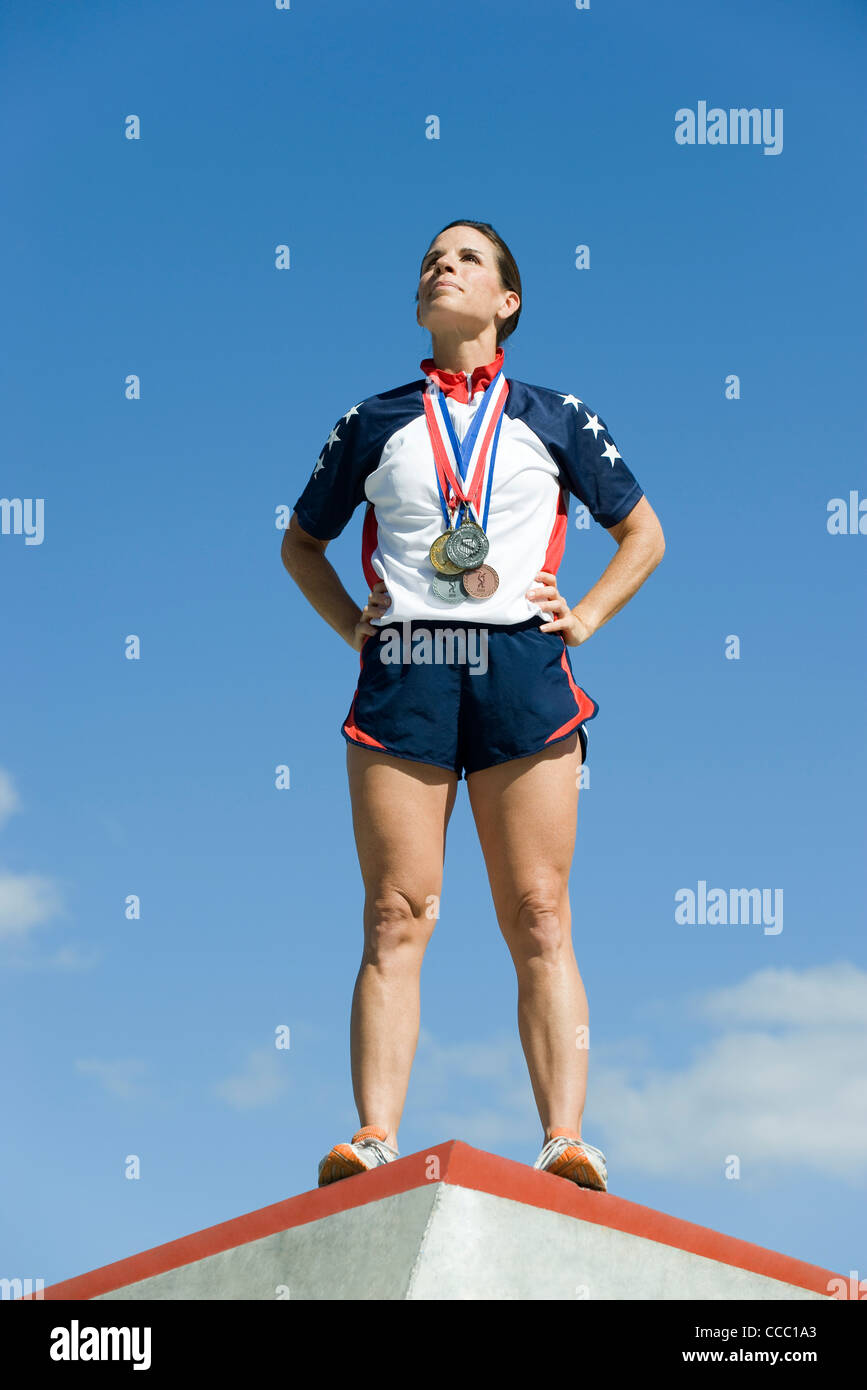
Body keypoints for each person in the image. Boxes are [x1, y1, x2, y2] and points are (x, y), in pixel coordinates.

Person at [281, 220, 665, 1192]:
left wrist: (583, 617)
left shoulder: (556, 413)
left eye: (464, 259)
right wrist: (353, 629)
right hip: (405, 669)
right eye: (429, 260)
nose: (438, 266)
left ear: (507, 301)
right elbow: (301, 543)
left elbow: (644, 533)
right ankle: (372, 1136)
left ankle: (565, 1139)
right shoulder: (373, 420)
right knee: (395, 911)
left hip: (523, 671)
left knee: (538, 912)